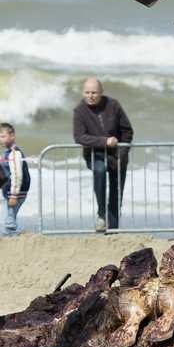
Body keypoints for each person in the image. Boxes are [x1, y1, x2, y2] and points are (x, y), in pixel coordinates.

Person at [72, 78, 133, 233]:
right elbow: (79, 137)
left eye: (94, 93)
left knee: (116, 194)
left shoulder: (113, 105)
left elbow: (127, 131)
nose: (90, 96)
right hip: (95, 154)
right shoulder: (79, 111)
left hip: (118, 155)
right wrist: (104, 141)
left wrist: (122, 154)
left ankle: (112, 231)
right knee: (99, 170)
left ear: (101, 92)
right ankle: (101, 214)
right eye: (87, 92)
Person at [0, 122, 28, 237]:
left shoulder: (14, 153)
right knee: (8, 220)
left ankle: (17, 239)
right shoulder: (8, 153)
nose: (0, 140)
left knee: (7, 223)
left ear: (12, 136)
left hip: (14, 193)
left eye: (3, 136)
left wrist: (14, 195)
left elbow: (17, 175)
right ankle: (18, 237)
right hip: (11, 192)